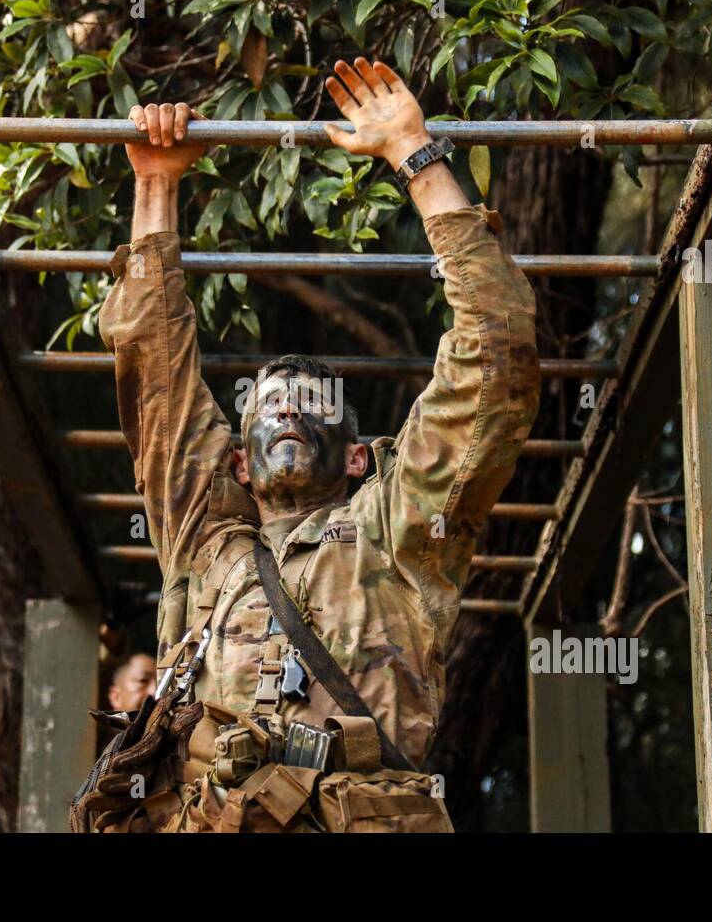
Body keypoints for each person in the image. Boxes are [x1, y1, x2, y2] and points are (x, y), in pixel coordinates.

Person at [87, 57, 539, 831]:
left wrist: (416, 157)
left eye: (315, 406)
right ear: (237, 462)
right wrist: (156, 183)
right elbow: (153, 373)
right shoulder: (207, 541)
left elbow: (496, 355)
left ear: (360, 458)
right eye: (269, 409)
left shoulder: (395, 531)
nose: (292, 413)